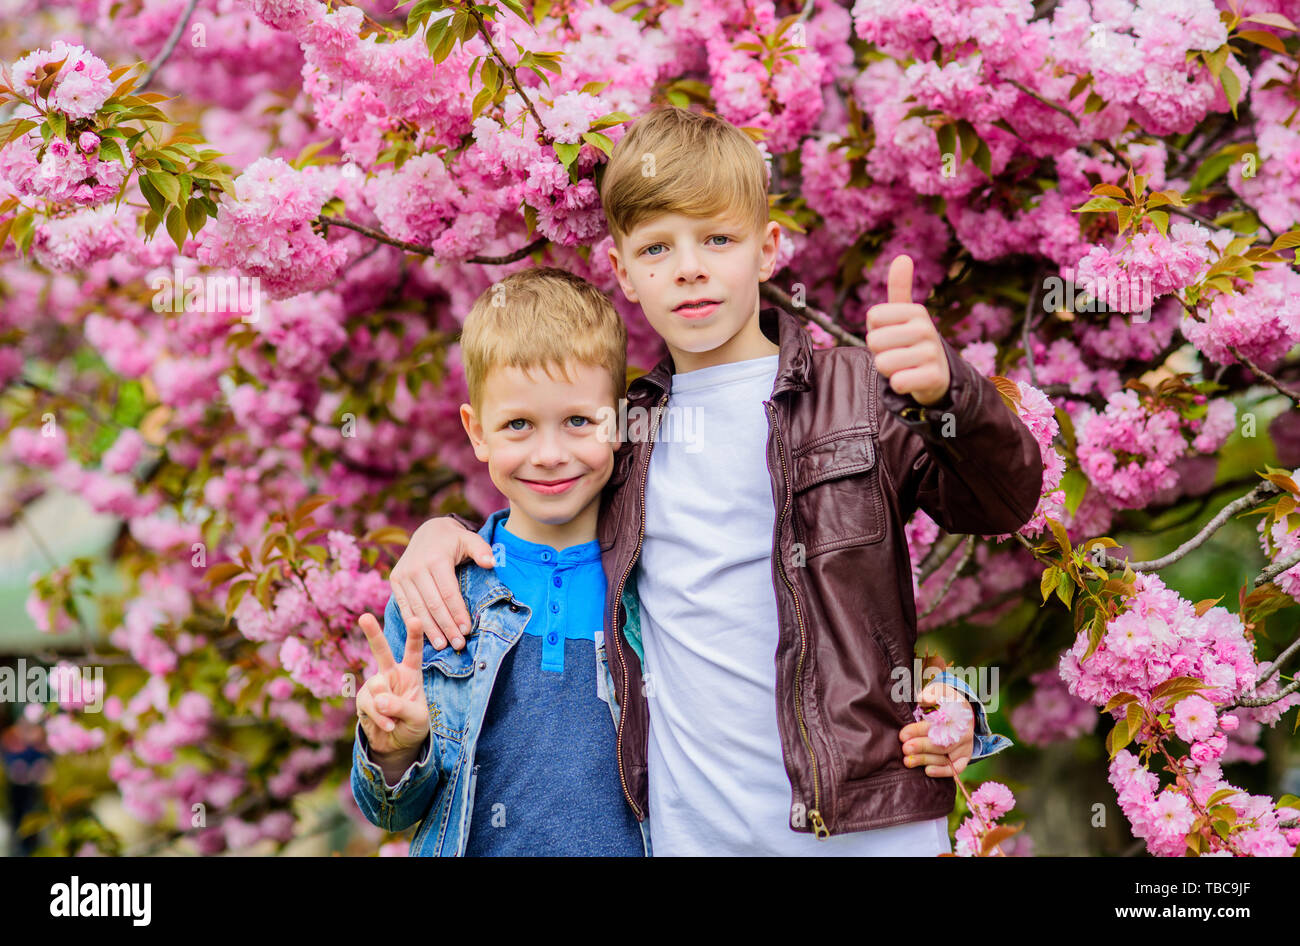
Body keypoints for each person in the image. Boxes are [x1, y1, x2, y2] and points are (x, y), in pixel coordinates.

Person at [386, 105, 1041, 855]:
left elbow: (1003, 502)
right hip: (698, 834)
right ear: (623, 272)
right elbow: (544, 513)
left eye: (718, 240)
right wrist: (442, 538)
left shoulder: (859, 394)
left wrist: (948, 390)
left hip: (865, 829)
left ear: (767, 251)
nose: (690, 266)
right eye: (658, 247)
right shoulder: (624, 433)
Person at [349, 266, 648, 855]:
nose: (549, 454)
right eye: (518, 425)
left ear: (617, 420)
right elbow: (393, 810)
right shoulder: (439, 597)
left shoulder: (653, 581)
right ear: (476, 430)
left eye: (578, 421)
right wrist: (393, 748)